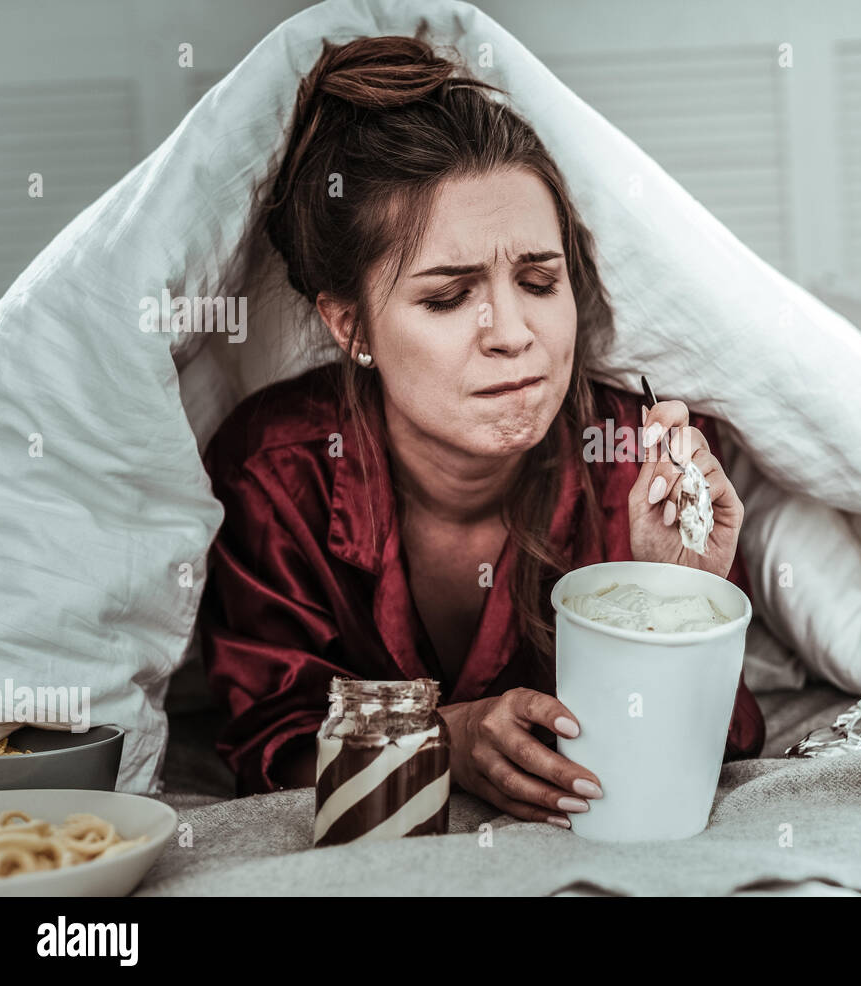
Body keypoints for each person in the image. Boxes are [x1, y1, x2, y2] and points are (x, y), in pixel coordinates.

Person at [197, 32, 764, 829]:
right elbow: (268, 744)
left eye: (539, 281)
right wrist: (439, 740)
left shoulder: (641, 466)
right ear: (350, 324)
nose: (513, 333)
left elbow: (730, 745)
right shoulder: (276, 472)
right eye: (447, 298)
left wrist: (681, 595)